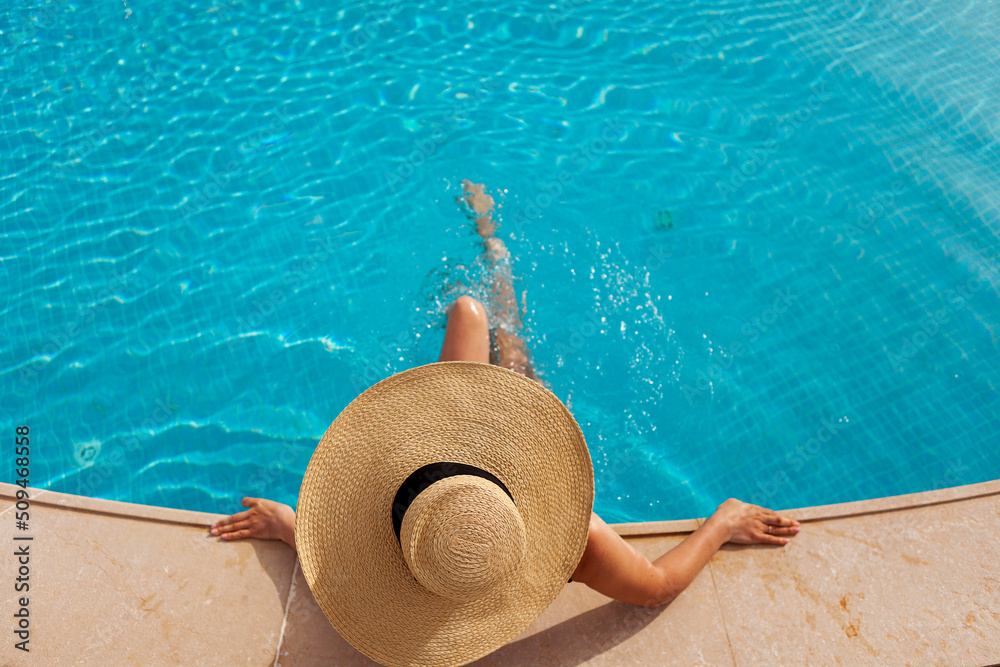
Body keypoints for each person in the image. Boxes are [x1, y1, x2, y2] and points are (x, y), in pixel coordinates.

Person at [210, 179, 800, 614]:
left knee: (477, 321)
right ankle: (494, 252)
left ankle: (491, 250)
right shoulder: (574, 544)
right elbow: (656, 590)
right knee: (508, 348)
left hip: (453, 446)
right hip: (462, 454)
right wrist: (722, 520)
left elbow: (331, 571)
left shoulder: (554, 540)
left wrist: (291, 525)